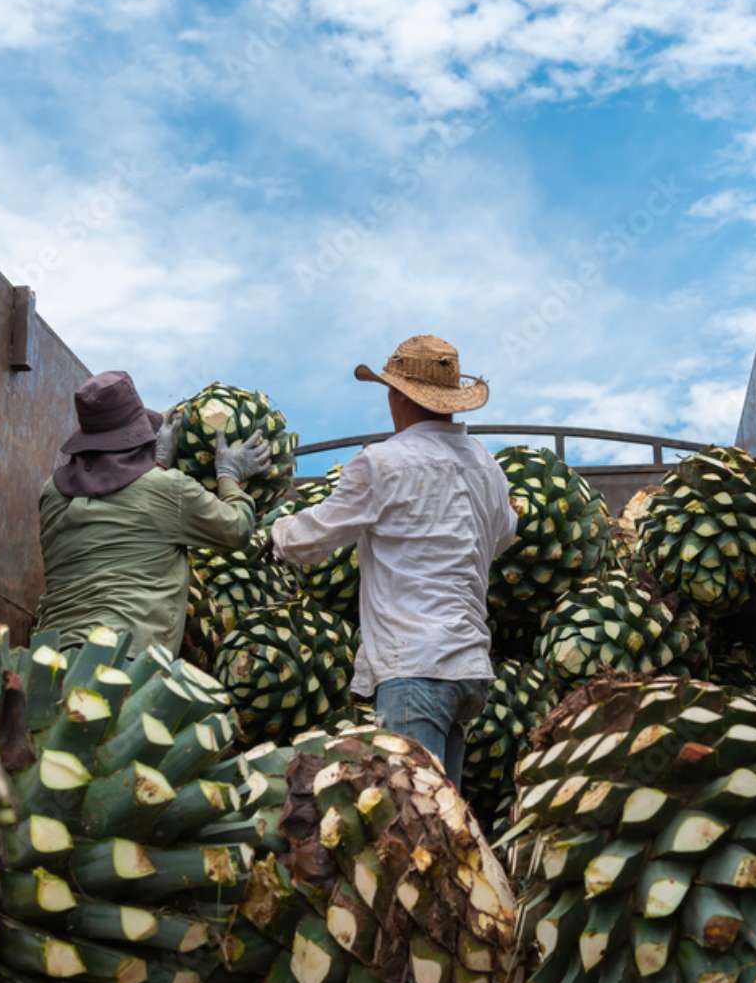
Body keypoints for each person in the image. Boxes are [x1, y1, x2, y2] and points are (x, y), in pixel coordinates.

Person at [269, 336, 517, 785]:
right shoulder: (487, 467)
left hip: (415, 670)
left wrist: (273, 531)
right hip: (469, 671)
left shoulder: (382, 463)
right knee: (445, 816)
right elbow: (503, 536)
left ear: (399, 395)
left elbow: (311, 540)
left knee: (411, 819)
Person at [35, 370, 270, 658]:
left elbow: (119, 515)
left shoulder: (51, 492)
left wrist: (156, 465)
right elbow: (237, 529)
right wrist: (228, 474)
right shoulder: (167, 489)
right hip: (124, 658)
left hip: (49, 657)